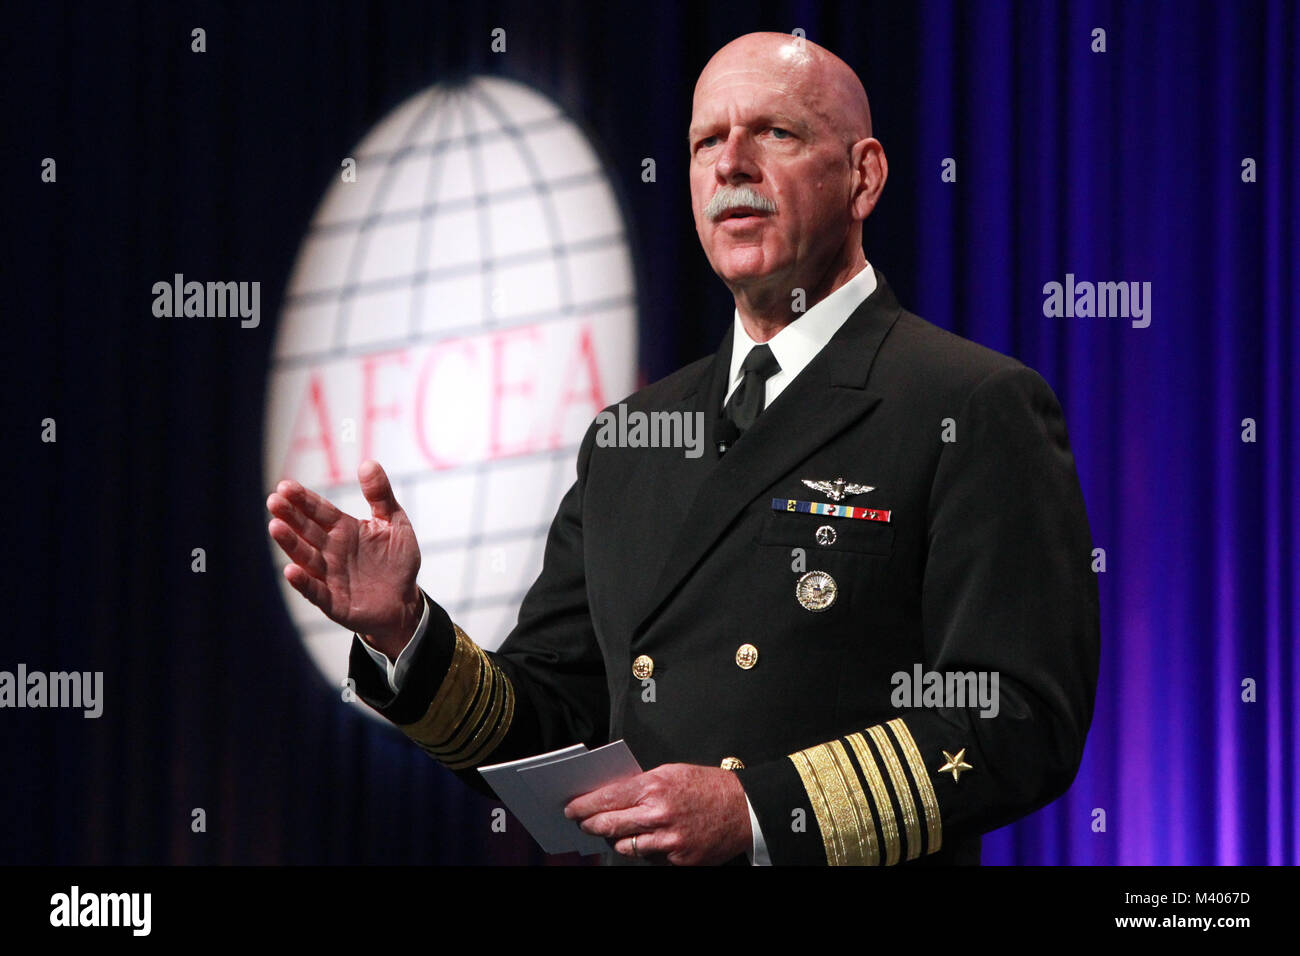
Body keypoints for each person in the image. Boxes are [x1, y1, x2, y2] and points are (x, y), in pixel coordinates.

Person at [266, 32, 1099, 866]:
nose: (731, 163)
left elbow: (1017, 717)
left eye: (776, 132)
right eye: (707, 142)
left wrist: (758, 811)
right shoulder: (629, 438)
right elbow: (555, 721)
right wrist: (406, 633)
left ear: (863, 176)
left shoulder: (967, 403)